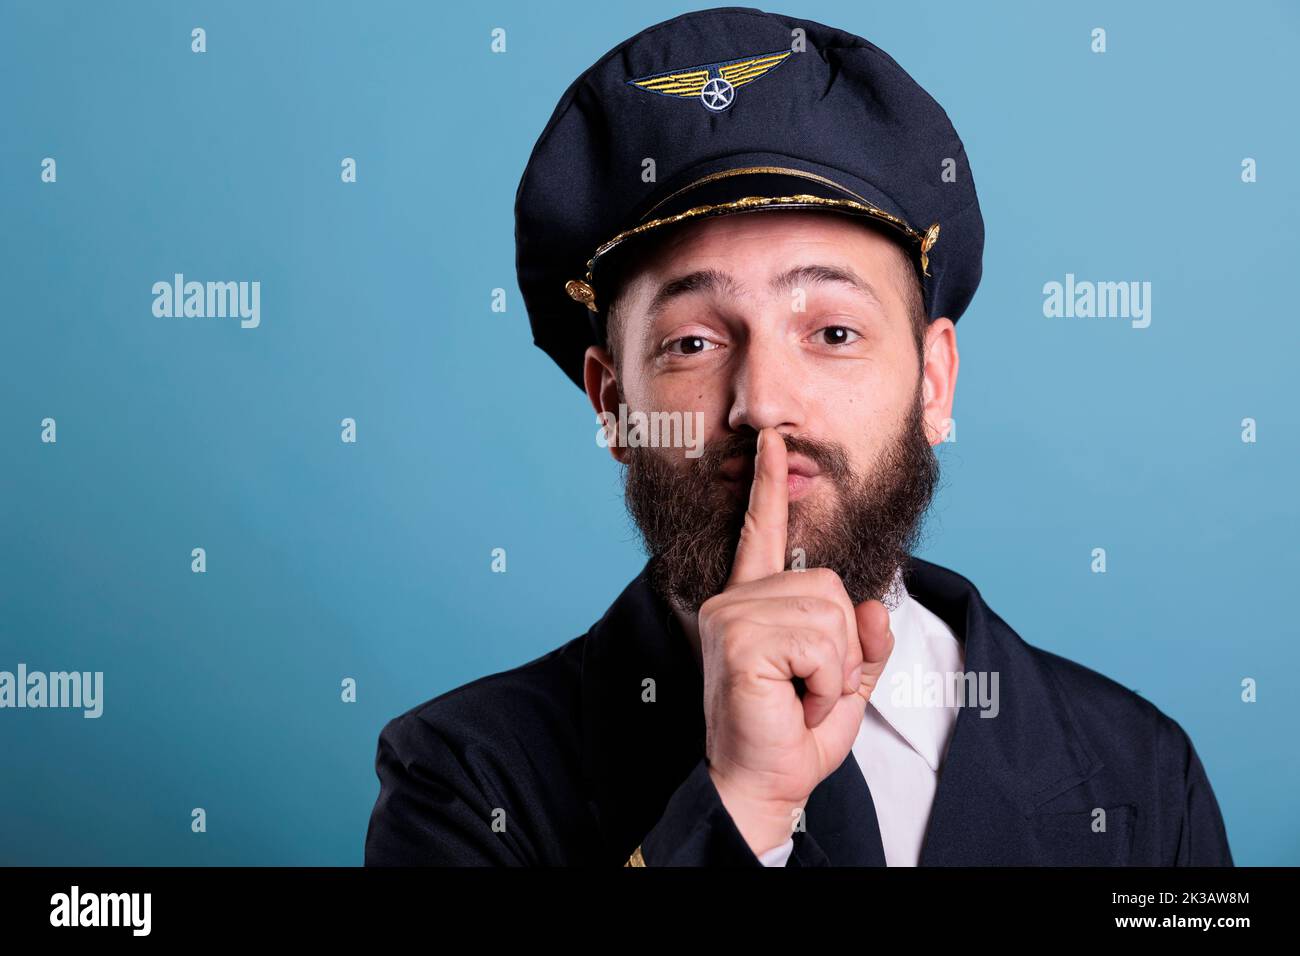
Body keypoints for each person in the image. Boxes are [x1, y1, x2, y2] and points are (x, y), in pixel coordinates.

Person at [364, 7, 1232, 866]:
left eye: (834, 333)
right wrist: (740, 805)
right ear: (613, 404)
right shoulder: (465, 782)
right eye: (693, 343)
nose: (763, 403)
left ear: (934, 383)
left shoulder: (1145, 777)